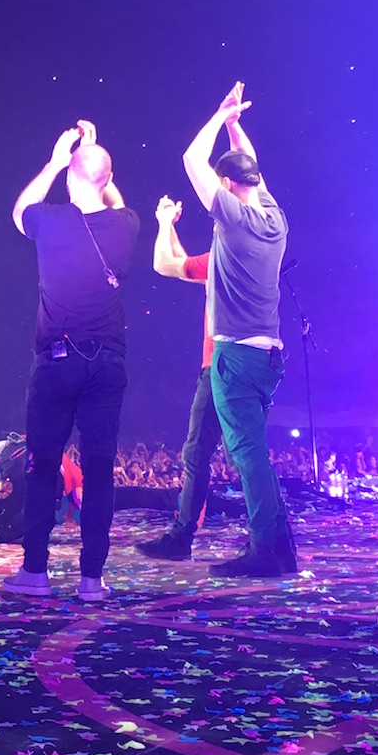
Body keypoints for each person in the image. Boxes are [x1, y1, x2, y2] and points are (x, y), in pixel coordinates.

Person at [5, 120, 140, 602]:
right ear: (108, 179)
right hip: (107, 365)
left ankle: (36, 573)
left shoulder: (50, 220)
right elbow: (113, 197)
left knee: (43, 467)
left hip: (57, 364)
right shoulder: (126, 224)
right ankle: (91, 581)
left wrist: (57, 158)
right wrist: (95, 159)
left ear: (68, 177)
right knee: (100, 470)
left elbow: (19, 211)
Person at [184, 82, 295, 577]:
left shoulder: (231, 217)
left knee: (249, 457)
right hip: (270, 355)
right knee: (258, 455)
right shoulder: (274, 217)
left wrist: (216, 114)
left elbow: (191, 159)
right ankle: (278, 545)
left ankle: (265, 552)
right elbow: (250, 165)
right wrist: (234, 125)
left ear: (226, 186)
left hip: (235, 357)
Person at [138, 193, 227, 559]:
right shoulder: (244, 259)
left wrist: (161, 223)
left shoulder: (221, 261)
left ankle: (182, 536)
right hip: (252, 360)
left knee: (196, 452)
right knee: (248, 452)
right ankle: (271, 536)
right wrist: (171, 227)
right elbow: (181, 262)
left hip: (218, 365)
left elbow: (163, 264)